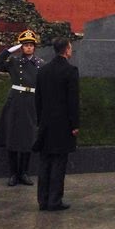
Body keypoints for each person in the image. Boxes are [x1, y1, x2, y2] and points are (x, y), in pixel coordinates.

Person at [0, 29, 43, 186]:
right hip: (15, 101)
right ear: (21, 47)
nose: (28, 48)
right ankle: (13, 173)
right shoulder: (14, 61)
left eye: (30, 45)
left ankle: (24, 172)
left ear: (34, 47)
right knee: (12, 136)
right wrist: (8, 51)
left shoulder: (40, 64)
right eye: (25, 45)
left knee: (28, 137)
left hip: (31, 101)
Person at [34, 37, 80, 211]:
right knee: (59, 163)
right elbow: (72, 101)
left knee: (45, 162)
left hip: (45, 123)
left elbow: (37, 98)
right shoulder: (70, 71)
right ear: (66, 50)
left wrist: (40, 120)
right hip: (62, 125)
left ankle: (42, 200)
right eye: (70, 48)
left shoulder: (43, 70)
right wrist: (75, 124)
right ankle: (54, 200)